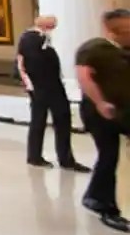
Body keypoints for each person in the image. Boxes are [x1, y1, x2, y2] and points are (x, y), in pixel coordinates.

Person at [75, 8, 130, 231]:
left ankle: (95, 195)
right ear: (110, 29)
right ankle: (103, 203)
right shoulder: (93, 49)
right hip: (100, 113)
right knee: (109, 155)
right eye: (123, 28)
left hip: (125, 111)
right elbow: (84, 76)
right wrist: (100, 102)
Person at [18, 15, 87, 171]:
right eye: (52, 24)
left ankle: (53, 157)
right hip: (44, 87)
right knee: (46, 120)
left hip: (48, 86)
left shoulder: (39, 38)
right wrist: (34, 87)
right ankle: (50, 157)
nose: (54, 27)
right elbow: (29, 65)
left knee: (50, 119)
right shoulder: (31, 38)